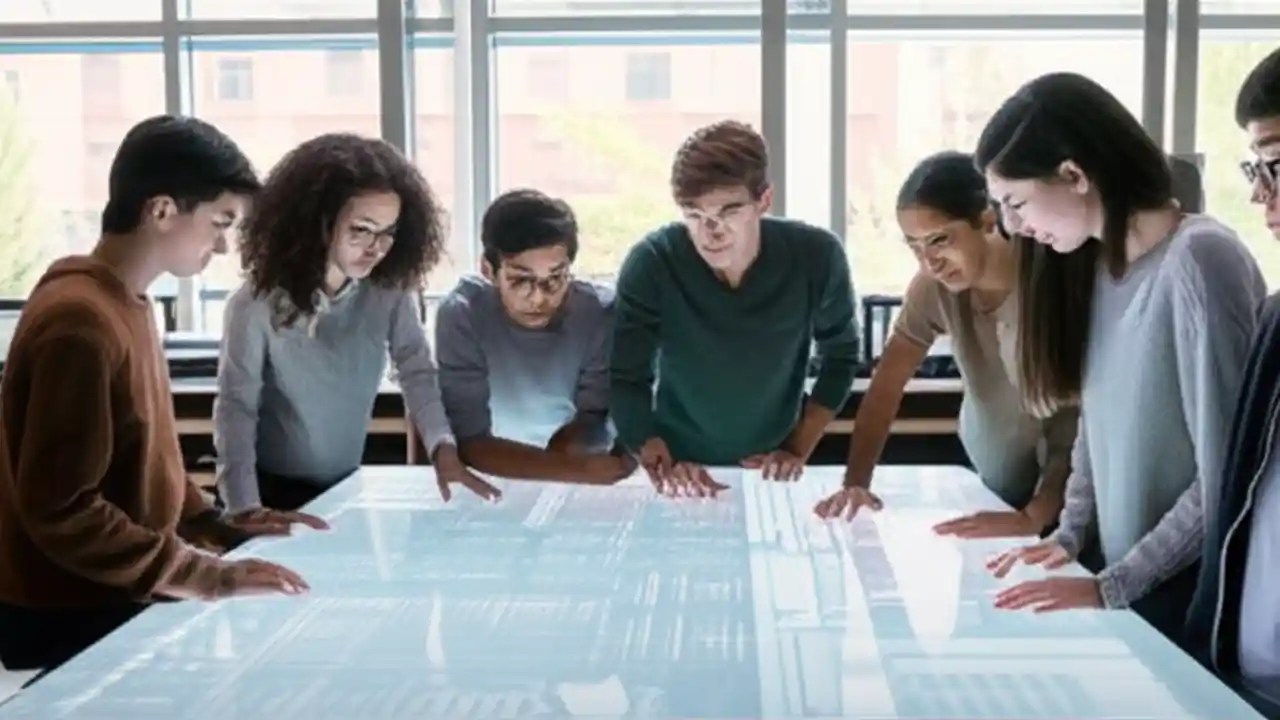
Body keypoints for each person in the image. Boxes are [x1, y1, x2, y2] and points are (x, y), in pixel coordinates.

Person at [0, 116, 315, 675]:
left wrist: (217, 526)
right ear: (162, 210)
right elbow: (63, 508)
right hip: (75, 611)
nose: (222, 245)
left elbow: (141, 460)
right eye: (219, 222)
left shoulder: (127, 303)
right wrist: (209, 576)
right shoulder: (80, 321)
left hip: (116, 594)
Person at [976, 73, 1265, 646]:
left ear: (1075, 175)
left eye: (1016, 203)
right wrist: (1068, 537)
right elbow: (1096, 427)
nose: (1012, 228)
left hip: (1190, 601)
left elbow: (1227, 476)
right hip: (1134, 588)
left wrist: (1114, 585)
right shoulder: (1101, 267)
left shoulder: (1201, 260)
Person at [215, 133, 501, 516]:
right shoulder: (253, 305)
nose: (376, 248)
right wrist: (244, 508)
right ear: (318, 223)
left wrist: (442, 448)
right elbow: (236, 410)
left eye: (388, 233)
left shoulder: (389, 291)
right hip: (267, 492)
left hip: (346, 487)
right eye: (361, 230)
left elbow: (416, 370)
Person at [813, 151, 1079, 541]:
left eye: (939, 240)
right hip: (985, 480)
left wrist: (1035, 516)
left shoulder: (1049, 284)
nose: (929, 263)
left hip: (1063, 499)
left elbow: (1070, 429)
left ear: (989, 221)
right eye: (915, 247)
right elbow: (885, 388)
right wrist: (856, 483)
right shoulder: (933, 289)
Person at [610, 120, 861, 496]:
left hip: (772, 467)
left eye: (728, 212)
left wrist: (797, 448)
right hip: (677, 465)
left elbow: (840, 356)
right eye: (694, 214)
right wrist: (648, 447)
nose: (711, 232)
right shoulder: (653, 262)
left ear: (764, 200)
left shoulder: (817, 256)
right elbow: (626, 376)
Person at [1186, 46, 1280, 719]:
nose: (1258, 194)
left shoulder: (1203, 257)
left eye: (1275, 166)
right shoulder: (1278, 316)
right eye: (1256, 168)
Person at [435, 189, 635, 484]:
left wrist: (578, 452)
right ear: (488, 270)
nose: (538, 297)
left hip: (578, 465)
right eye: (520, 280)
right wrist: (573, 470)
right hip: (490, 474)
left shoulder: (599, 312)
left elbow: (596, 417)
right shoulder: (462, 314)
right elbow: (470, 439)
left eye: (555, 278)